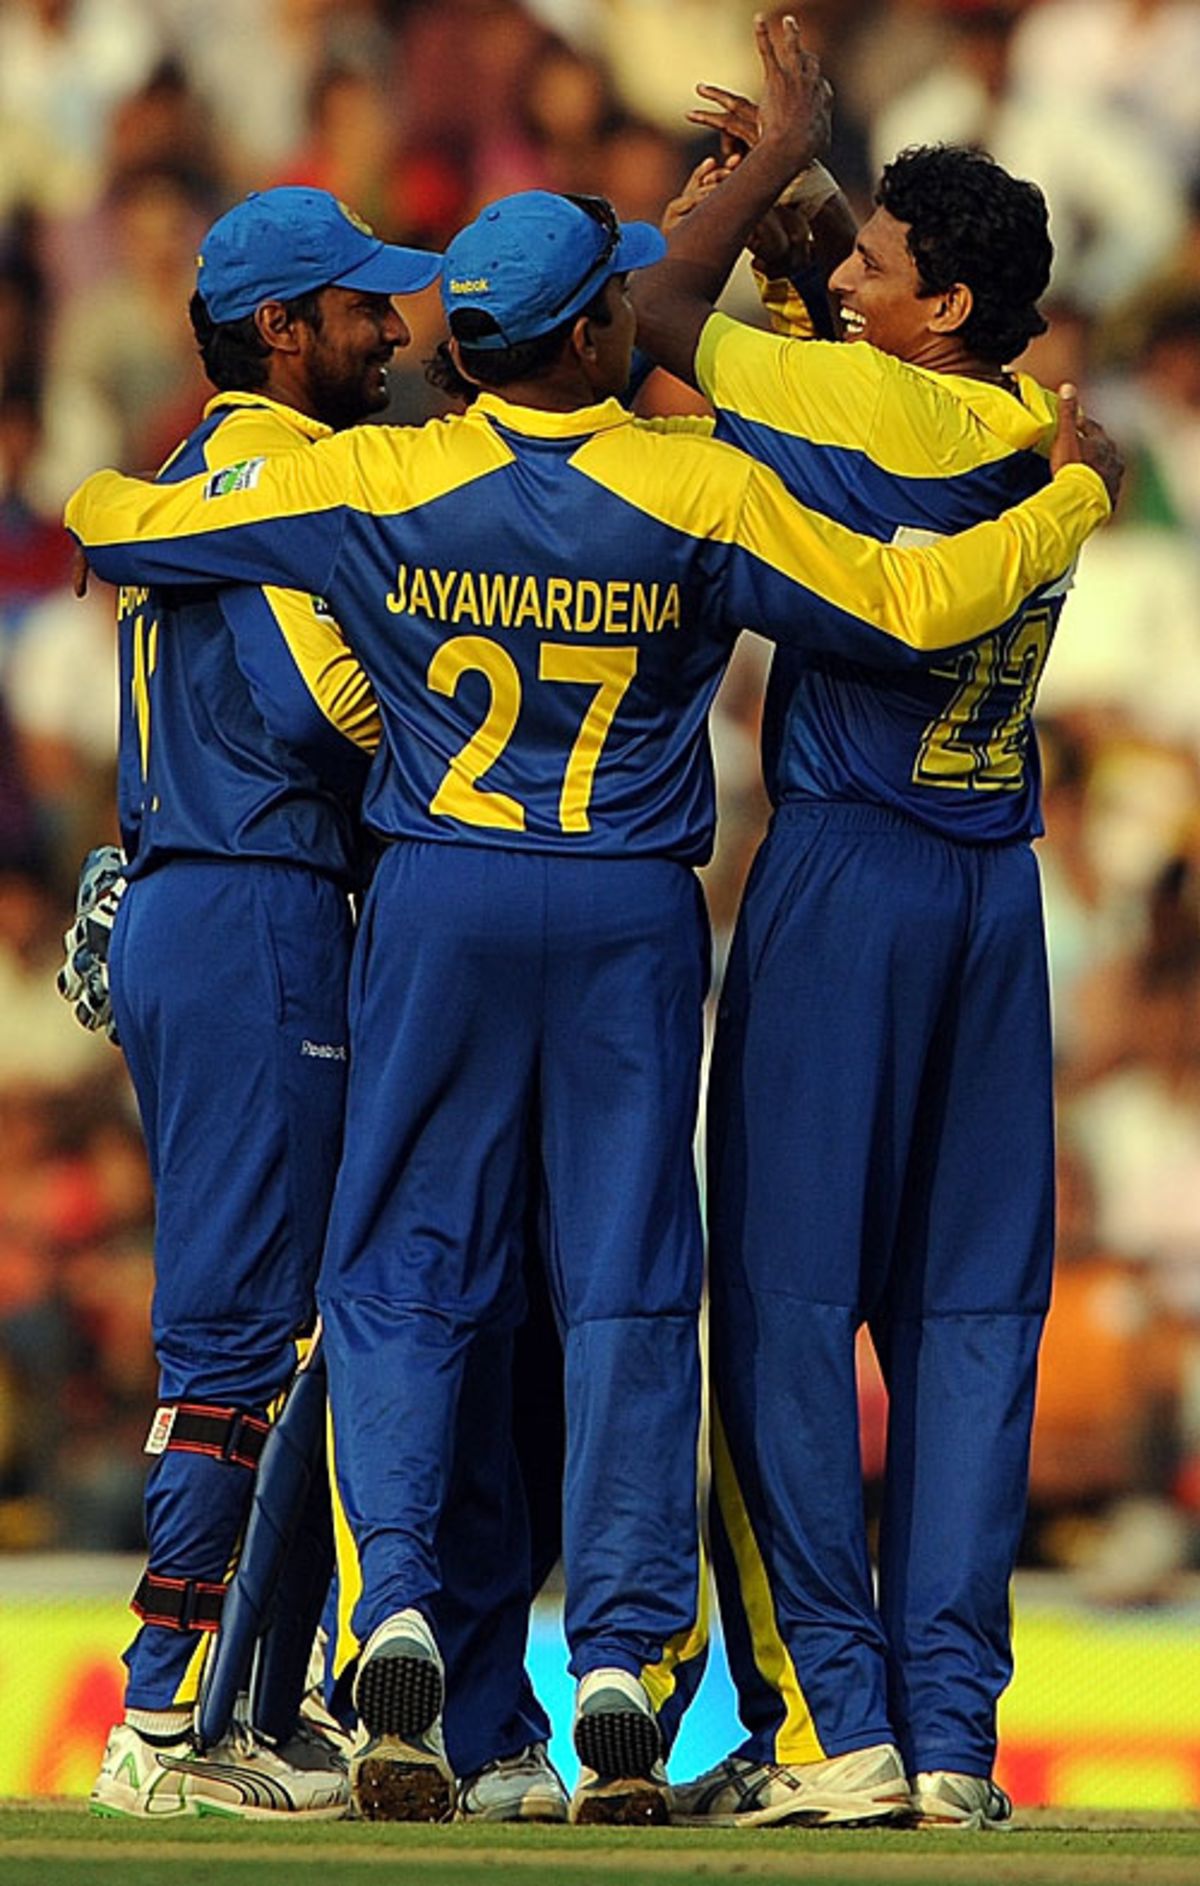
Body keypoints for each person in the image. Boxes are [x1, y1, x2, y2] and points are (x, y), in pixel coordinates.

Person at [65, 177, 1114, 1828]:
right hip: (632, 916)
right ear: (593, 335)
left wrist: (191, 487)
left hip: (440, 899)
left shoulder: (386, 475)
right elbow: (914, 606)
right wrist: (1069, 502)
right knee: (630, 1292)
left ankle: (393, 1610)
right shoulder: (696, 484)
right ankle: (621, 1657)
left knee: (399, 1279)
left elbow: (112, 521)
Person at [631, 16, 1121, 1833]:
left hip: (848, 876)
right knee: (971, 1318)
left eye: (875, 270)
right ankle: (956, 1737)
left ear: (945, 310)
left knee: (785, 1301)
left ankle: (833, 1723)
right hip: (996, 890)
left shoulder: (856, 403)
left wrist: (779, 155)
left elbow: (655, 308)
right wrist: (832, 206)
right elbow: (881, 338)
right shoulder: (1024, 423)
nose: (842, 282)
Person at [84, 183, 442, 1823]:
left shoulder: (182, 472)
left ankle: (247, 1687)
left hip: (198, 893)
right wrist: (467, 753)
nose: (391, 330)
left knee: (274, 1313)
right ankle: (167, 1717)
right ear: (281, 330)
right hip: (259, 902)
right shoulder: (286, 472)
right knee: (246, 1324)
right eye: (360, 308)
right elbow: (325, 701)